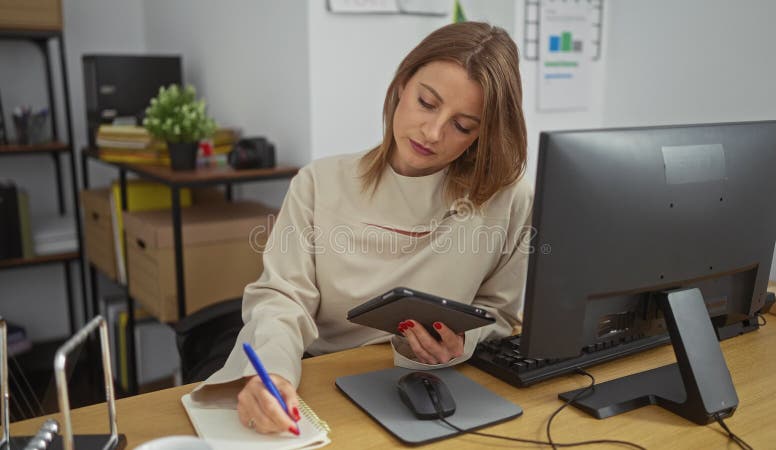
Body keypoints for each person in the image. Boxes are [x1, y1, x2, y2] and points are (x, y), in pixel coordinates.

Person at [194, 21, 534, 436]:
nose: (432, 133)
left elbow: (499, 313)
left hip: (439, 384)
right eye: (427, 102)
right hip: (322, 381)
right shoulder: (319, 183)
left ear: (482, 135)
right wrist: (272, 373)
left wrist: (467, 340)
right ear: (401, 87)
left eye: (462, 126)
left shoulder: (508, 198)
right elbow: (283, 301)